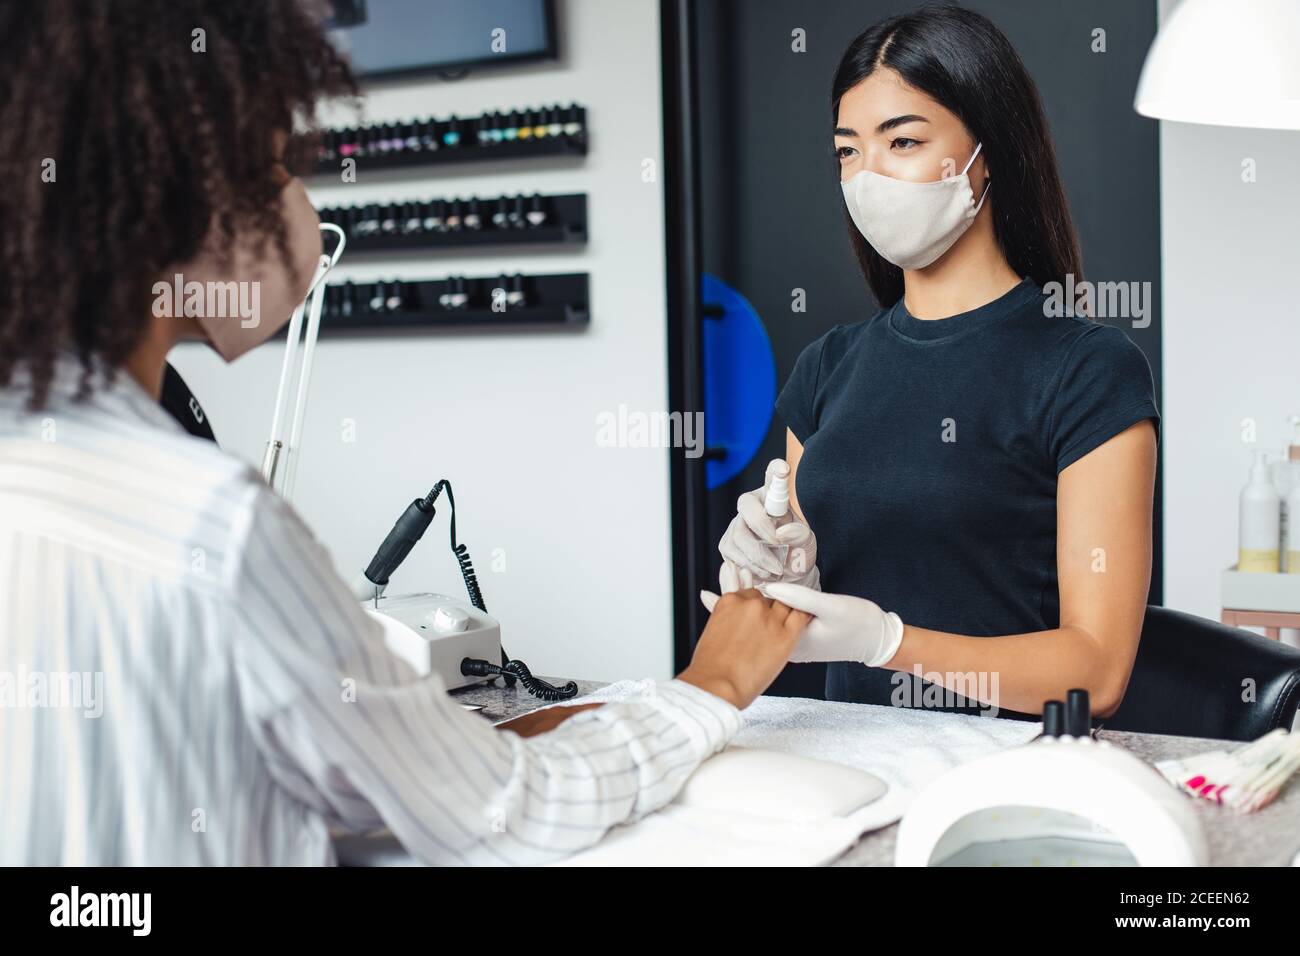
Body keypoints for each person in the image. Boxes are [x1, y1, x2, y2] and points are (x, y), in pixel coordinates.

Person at [0, 0, 809, 865]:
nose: (290, 199)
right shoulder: (212, 527)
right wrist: (711, 684)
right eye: (274, 160)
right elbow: (506, 814)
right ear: (181, 190)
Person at [715, 5, 1159, 720]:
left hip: (1005, 776)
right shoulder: (829, 366)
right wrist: (776, 577)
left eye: (903, 141)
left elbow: (1097, 673)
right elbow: (802, 598)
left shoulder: (1088, 370)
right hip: (858, 762)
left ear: (991, 151)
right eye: (848, 151)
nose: (868, 176)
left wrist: (887, 641)